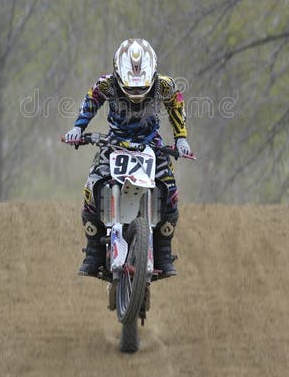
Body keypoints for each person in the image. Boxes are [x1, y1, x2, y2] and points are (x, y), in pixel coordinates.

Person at [63, 37, 193, 277]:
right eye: (130, 88)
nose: (136, 94)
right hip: (114, 142)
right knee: (92, 186)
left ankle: (163, 250)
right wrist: (78, 129)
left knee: (170, 191)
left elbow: (176, 104)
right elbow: (91, 101)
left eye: (141, 88)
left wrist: (181, 138)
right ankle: (93, 251)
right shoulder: (107, 85)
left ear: (152, 75)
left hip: (151, 145)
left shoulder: (164, 86)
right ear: (118, 75)